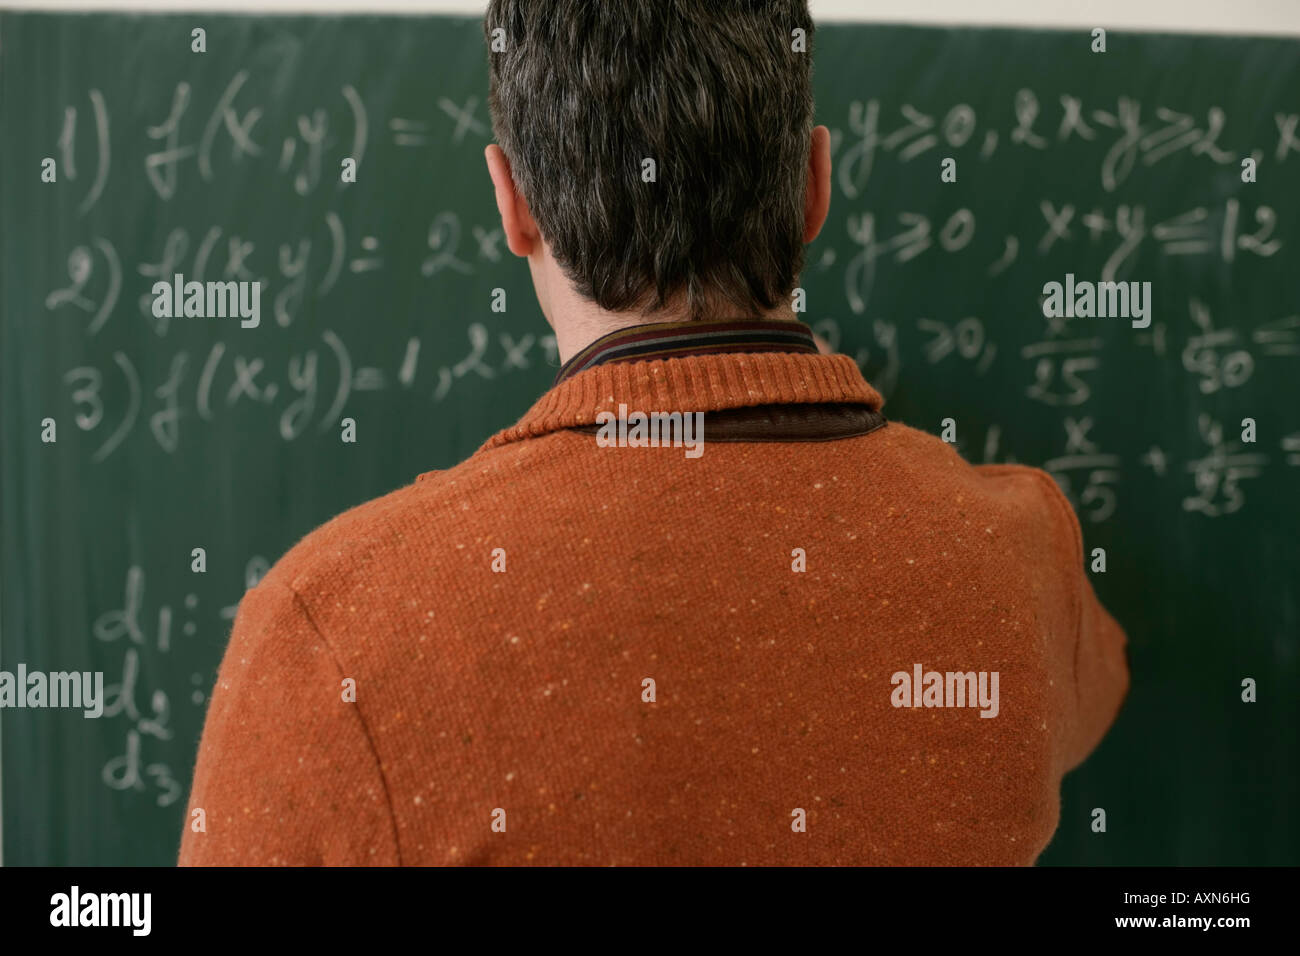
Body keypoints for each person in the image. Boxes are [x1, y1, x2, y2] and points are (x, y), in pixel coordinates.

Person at [179, 0, 1128, 866]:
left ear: (512, 204)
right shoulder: (1022, 555)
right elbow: (1095, 688)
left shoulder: (323, 636)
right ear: (813, 187)